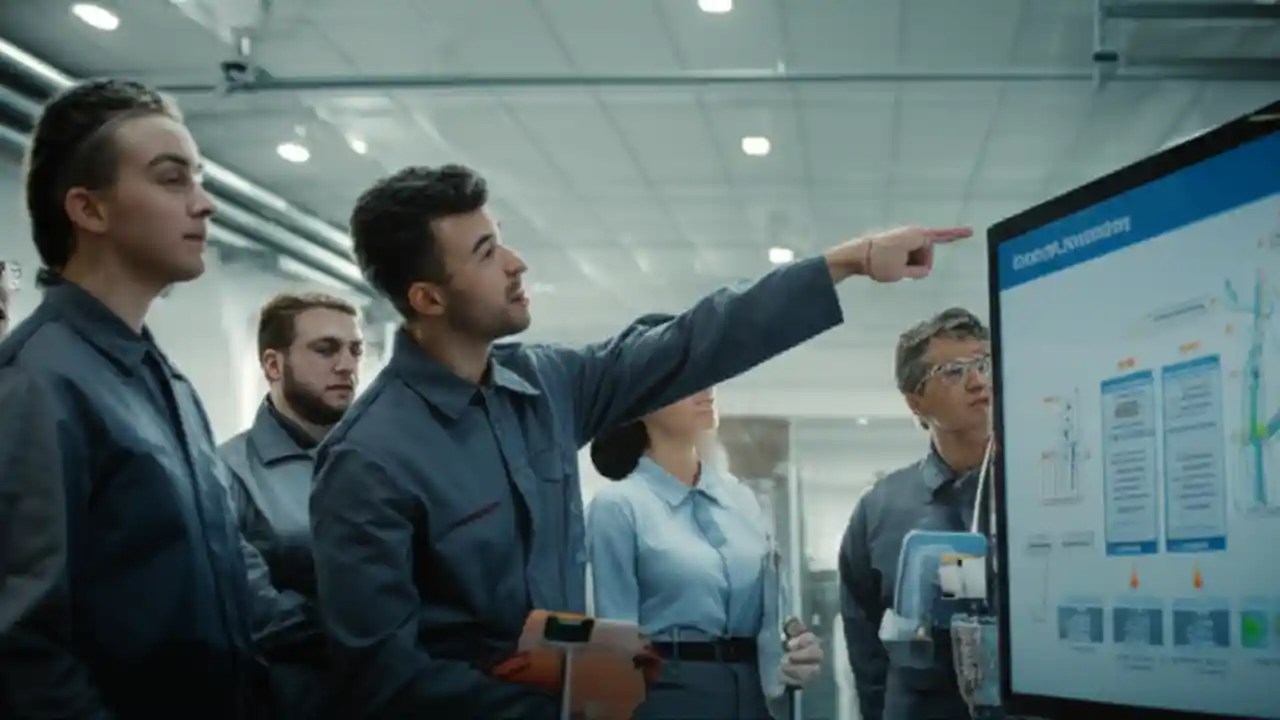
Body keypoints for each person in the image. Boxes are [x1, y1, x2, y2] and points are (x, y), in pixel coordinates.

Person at [309, 162, 971, 719]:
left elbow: (692, 340)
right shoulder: (370, 460)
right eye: (485, 254)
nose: (516, 264)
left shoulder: (544, 386)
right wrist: (577, 692)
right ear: (427, 297)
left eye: (501, 239)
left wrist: (846, 262)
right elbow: (382, 680)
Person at [0, 79, 258, 719]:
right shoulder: (37, 384)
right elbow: (25, 654)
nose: (206, 205)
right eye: (174, 180)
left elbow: (222, 586)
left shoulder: (164, 382)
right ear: (89, 211)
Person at [588, 379, 824, 720]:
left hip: (753, 696)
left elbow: (773, 621)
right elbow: (612, 645)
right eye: (685, 381)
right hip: (667, 694)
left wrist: (796, 656)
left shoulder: (741, 501)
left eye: (708, 376)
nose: (706, 388)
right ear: (640, 401)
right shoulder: (619, 505)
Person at [838, 307, 993, 720]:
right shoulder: (880, 512)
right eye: (954, 372)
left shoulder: (1037, 495)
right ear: (915, 401)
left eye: (984, 363)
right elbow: (867, 657)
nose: (979, 381)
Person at [219, 292, 363, 719]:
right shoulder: (226, 473)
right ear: (272, 365)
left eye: (355, 350)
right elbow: (256, 612)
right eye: (325, 349)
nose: (347, 365)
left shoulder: (385, 462)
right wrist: (376, 619)